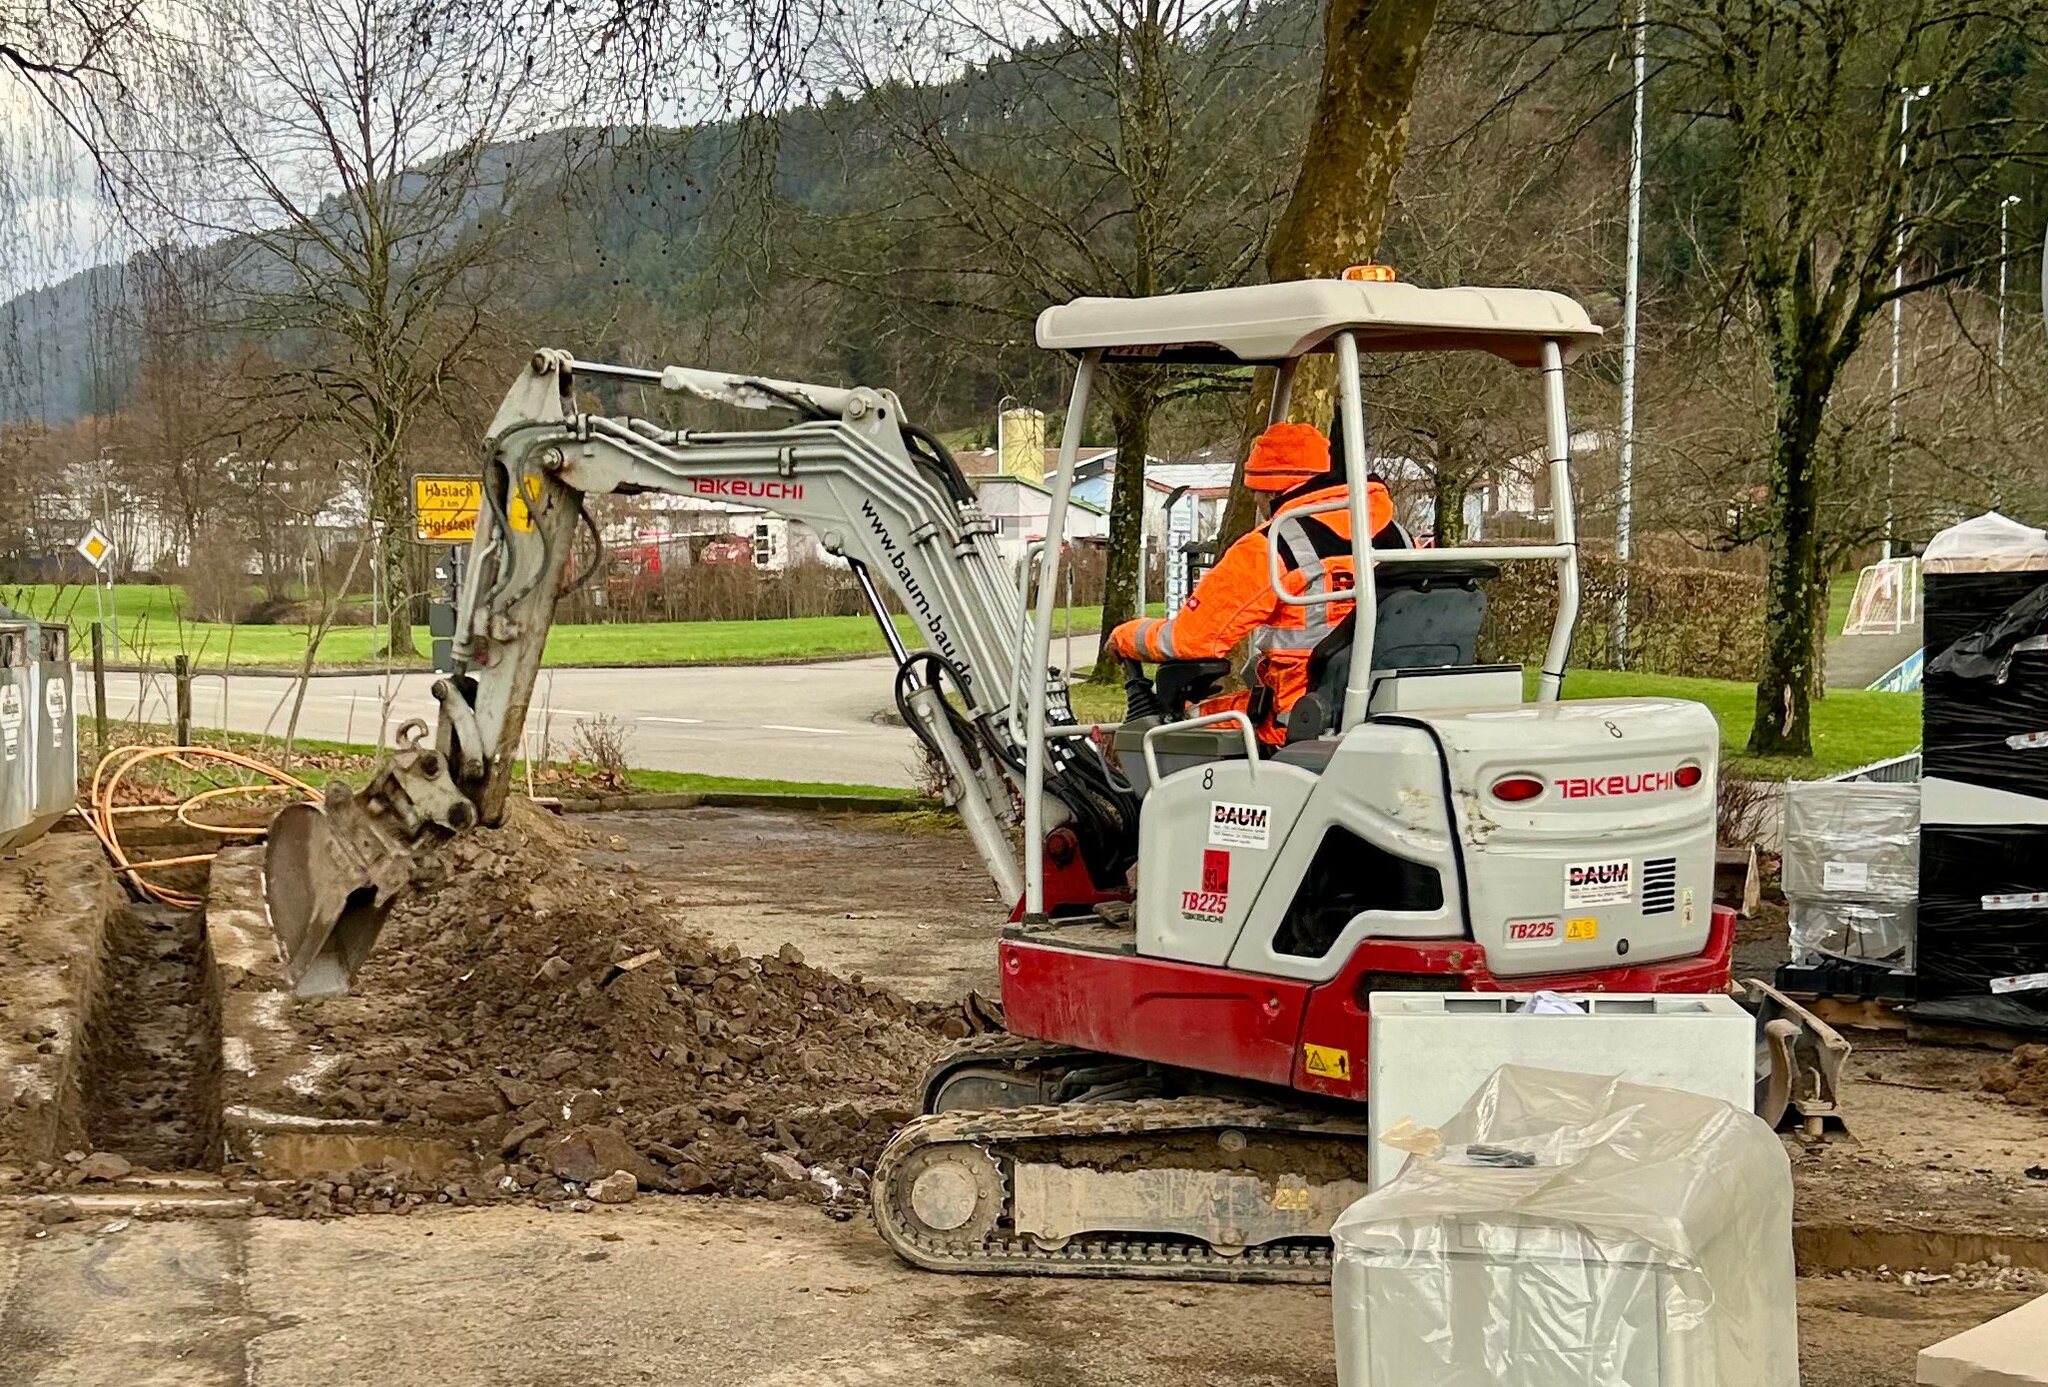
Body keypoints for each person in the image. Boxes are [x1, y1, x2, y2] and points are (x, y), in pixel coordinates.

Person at [1108, 420, 1394, 746]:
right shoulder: (1396, 538)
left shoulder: (1273, 545)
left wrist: (1125, 635)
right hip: (1380, 712)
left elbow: (1192, 640)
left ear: (1270, 489)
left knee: (1178, 729)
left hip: (1298, 720)